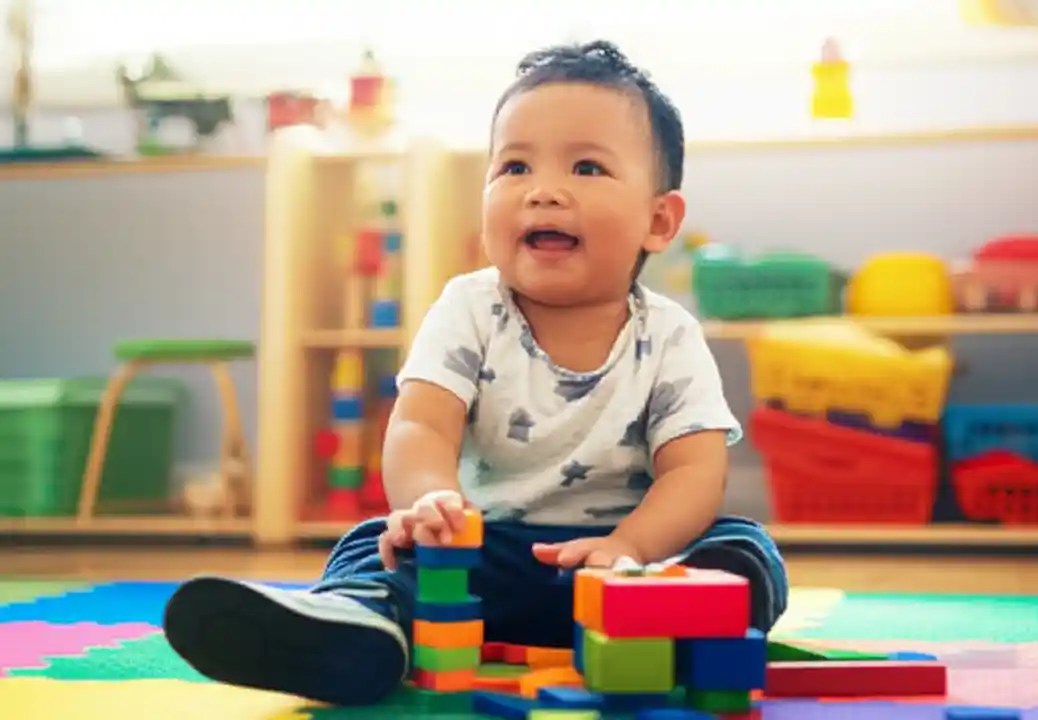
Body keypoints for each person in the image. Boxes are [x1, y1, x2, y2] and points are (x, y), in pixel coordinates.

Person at [162, 39, 788, 707]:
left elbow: (694, 471)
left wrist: (630, 546)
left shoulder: (668, 335)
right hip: (479, 560)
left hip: (628, 574)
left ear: (658, 221)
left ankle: (695, 625)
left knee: (743, 546)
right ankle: (355, 629)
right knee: (378, 544)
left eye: (586, 167)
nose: (543, 191)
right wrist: (430, 502)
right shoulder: (468, 308)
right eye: (514, 167)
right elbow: (421, 426)